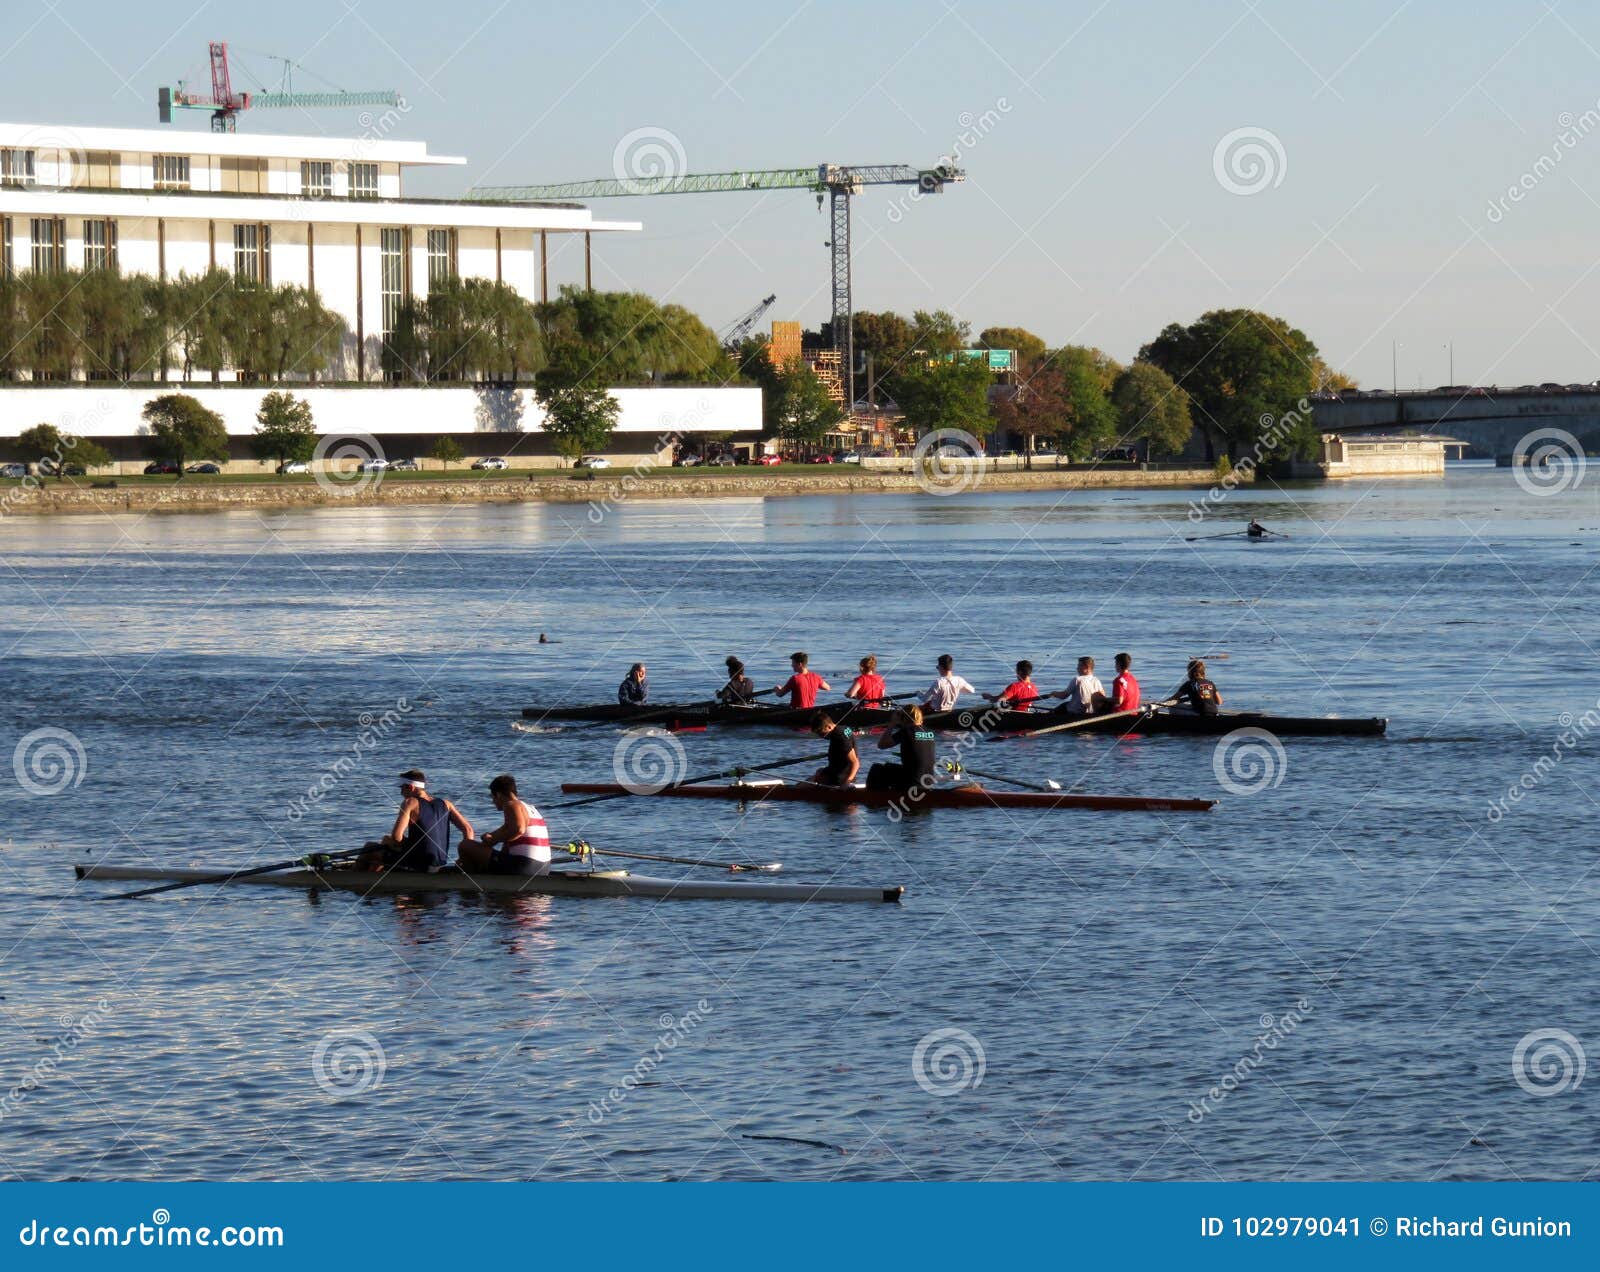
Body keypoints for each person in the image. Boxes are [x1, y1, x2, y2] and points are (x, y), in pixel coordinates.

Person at [359, 770, 475, 873]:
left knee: (370, 847)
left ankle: (354, 879)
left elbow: (396, 837)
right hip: (440, 863)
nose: (401, 793)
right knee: (386, 844)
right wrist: (464, 860)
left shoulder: (410, 803)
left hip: (419, 865)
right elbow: (468, 830)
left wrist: (393, 844)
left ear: (410, 787)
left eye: (402, 788)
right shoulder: (447, 804)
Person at [458, 774, 551, 875]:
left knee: (465, 845)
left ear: (498, 795)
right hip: (544, 869)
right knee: (502, 847)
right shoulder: (531, 808)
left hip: (524, 866)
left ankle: (471, 881)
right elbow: (506, 836)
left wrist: (493, 839)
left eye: (492, 797)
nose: (493, 801)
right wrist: (490, 840)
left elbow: (519, 830)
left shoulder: (511, 804)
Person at [867, 706, 939, 790]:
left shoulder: (907, 731)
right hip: (928, 781)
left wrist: (892, 723)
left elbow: (881, 745)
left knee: (877, 769)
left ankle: (875, 798)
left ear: (903, 718)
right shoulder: (930, 733)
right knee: (890, 767)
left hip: (911, 781)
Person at [809, 712, 860, 786]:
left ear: (829, 727)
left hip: (838, 779)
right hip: (841, 774)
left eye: (822, 733)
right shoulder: (845, 728)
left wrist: (846, 783)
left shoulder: (839, 736)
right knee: (819, 771)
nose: (822, 737)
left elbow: (855, 763)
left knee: (803, 786)